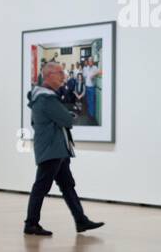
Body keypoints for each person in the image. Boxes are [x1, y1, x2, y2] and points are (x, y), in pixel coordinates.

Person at [24, 62, 104, 236]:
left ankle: (81, 220)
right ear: (49, 75)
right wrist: (66, 116)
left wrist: (62, 116)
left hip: (57, 149)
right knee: (41, 187)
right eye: (60, 73)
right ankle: (30, 224)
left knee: (67, 186)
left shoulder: (42, 96)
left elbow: (44, 121)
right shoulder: (46, 98)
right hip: (51, 150)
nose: (63, 76)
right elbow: (66, 121)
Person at [82, 56, 101, 123]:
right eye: (89, 61)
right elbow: (84, 76)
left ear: (92, 61)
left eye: (91, 61)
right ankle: (89, 114)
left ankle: (91, 116)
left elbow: (101, 71)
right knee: (88, 101)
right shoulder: (86, 68)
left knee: (92, 102)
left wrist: (94, 74)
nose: (90, 62)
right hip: (87, 87)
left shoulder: (95, 67)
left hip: (92, 88)